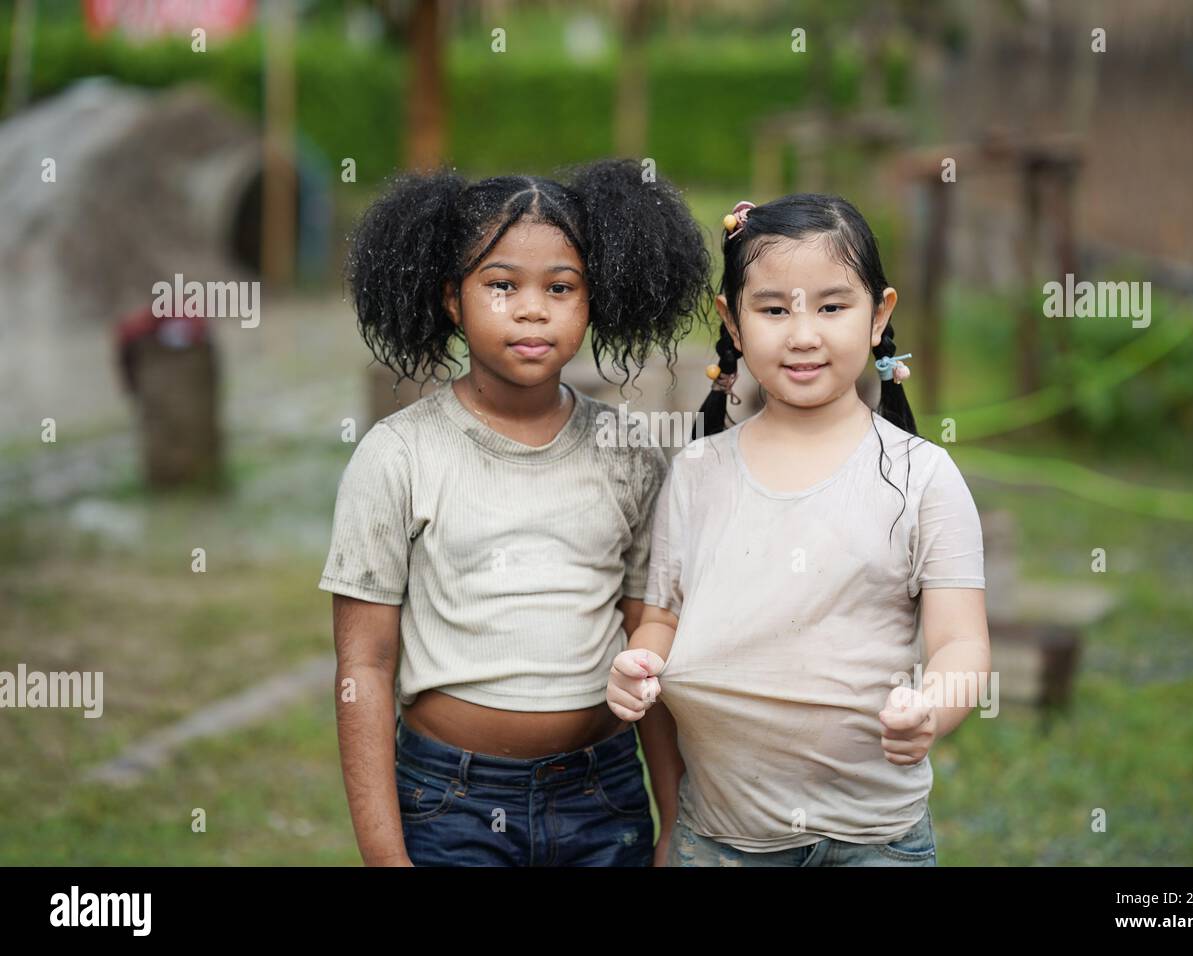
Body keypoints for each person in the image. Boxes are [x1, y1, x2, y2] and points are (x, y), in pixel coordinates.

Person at [320, 159, 711, 866]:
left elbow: (647, 649)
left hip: (603, 797)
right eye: (501, 286)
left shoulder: (628, 454)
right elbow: (365, 665)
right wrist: (386, 857)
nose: (533, 309)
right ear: (451, 300)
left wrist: (675, 820)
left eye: (561, 287)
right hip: (450, 804)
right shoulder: (396, 456)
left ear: (594, 301)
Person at [607, 194, 990, 866]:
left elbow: (962, 646)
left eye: (832, 306)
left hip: (873, 842)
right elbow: (662, 617)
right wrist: (641, 662)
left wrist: (931, 708)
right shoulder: (698, 471)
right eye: (775, 309)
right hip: (722, 837)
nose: (803, 334)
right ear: (732, 320)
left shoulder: (922, 477)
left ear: (880, 315)